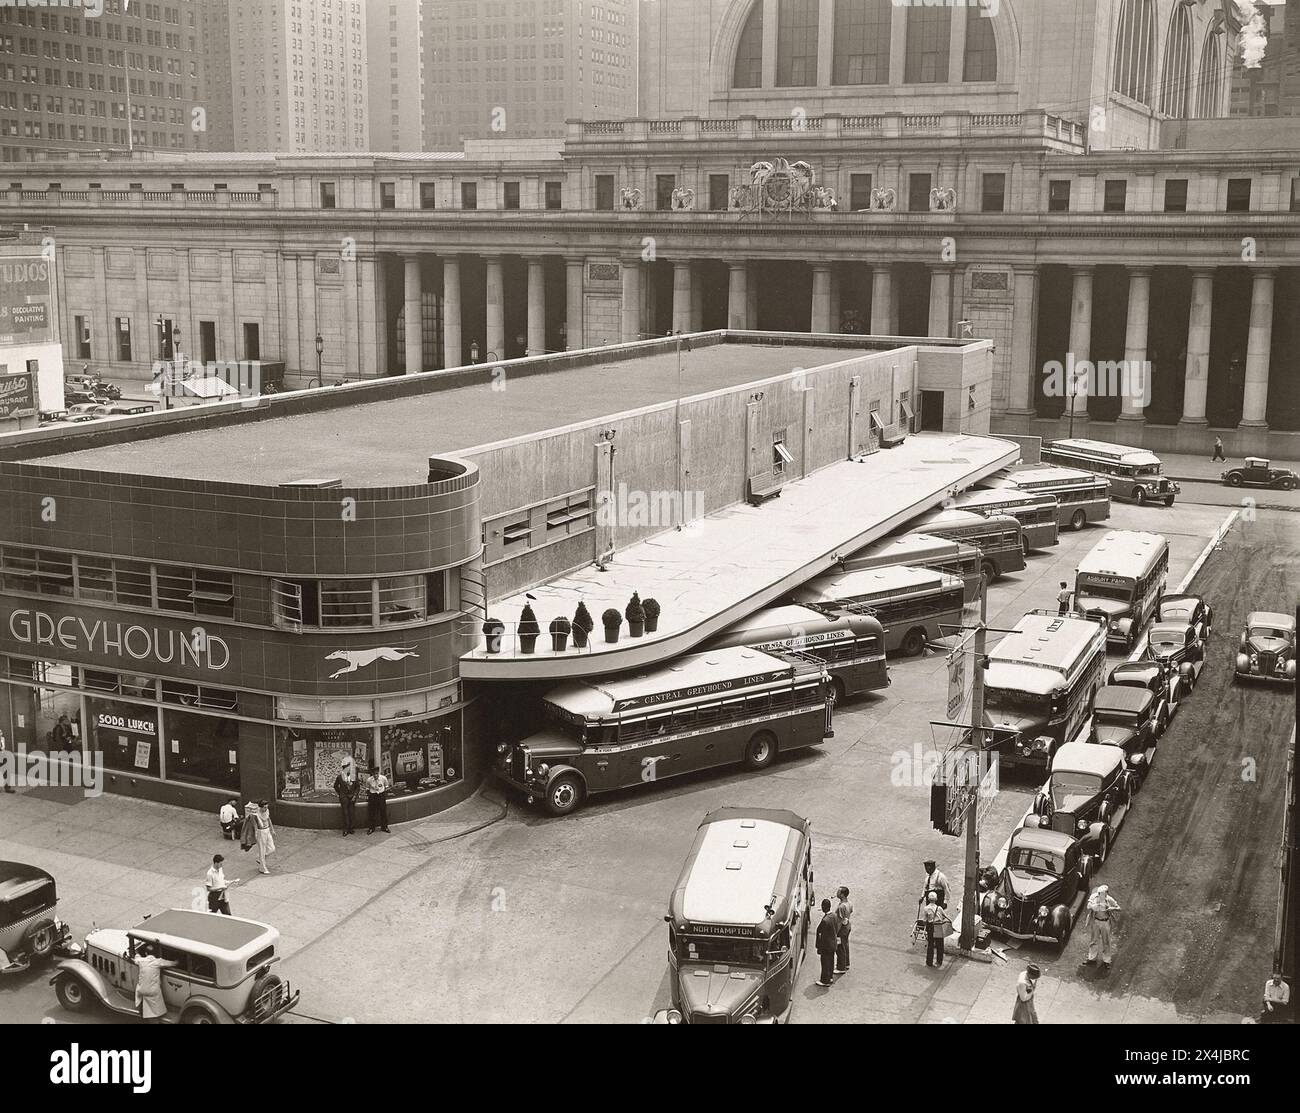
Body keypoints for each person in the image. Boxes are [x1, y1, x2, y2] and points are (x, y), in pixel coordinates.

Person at [133, 942, 177, 1022]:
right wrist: (177, 961)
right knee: (155, 1011)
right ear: (155, 954)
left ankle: (141, 1013)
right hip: (153, 992)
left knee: (140, 992)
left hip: (141, 990)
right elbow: (173, 963)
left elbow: (136, 958)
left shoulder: (141, 961)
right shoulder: (158, 962)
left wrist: (137, 952)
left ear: (146, 953)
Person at [1084, 884, 1121, 970]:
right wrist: (1094, 906)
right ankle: (1092, 958)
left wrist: (1111, 908)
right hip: (1096, 921)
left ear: (1106, 893)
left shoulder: (1109, 899)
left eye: (1102, 893)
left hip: (1105, 922)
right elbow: (1088, 906)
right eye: (1099, 892)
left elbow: (1119, 908)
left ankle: (1107, 961)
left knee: (1106, 942)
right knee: (1093, 940)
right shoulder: (1094, 897)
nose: (1100, 894)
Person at [246, 799, 276, 874]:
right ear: (260, 807)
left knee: (272, 848)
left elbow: (269, 819)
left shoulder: (267, 811)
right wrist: (255, 834)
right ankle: (262, 868)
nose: (266, 809)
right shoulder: (256, 814)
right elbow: (254, 825)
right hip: (261, 832)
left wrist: (272, 829)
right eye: (264, 807)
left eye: (267, 807)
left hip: (267, 830)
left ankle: (260, 859)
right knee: (262, 850)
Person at [922, 890, 950, 968]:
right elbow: (945, 916)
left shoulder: (926, 908)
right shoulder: (939, 908)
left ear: (928, 899)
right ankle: (939, 961)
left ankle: (929, 962)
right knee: (939, 944)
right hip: (938, 926)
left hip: (931, 926)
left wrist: (926, 925)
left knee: (930, 944)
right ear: (936, 899)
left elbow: (924, 920)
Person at [334, 756, 361, 836]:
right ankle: (345, 829)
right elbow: (335, 786)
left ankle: (351, 828)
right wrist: (341, 794)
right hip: (344, 797)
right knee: (345, 813)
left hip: (352, 797)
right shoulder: (339, 777)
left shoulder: (354, 777)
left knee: (351, 812)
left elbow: (357, 787)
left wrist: (355, 796)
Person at [815, 898, 839, 987]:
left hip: (826, 945)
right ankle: (830, 977)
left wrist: (819, 947)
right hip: (833, 943)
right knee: (831, 960)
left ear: (824, 907)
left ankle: (825, 980)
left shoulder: (825, 921)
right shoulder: (834, 915)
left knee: (825, 962)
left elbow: (823, 937)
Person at [366, 765, 391, 834]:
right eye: (374, 774)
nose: (375, 775)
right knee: (372, 813)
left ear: (378, 773)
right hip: (373, 796)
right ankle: (371, 828)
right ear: (372, 774)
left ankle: (384, 827)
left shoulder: (383, 778)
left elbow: (386, 786)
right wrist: (370, 796)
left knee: (383, 812)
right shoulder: (369, 780)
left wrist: (383, 794)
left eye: (377, 773)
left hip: (381, 796)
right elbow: (367, 789)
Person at [834, 887, 853, 973]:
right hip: (847, 927)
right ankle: (846, 963)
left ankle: (841, 967)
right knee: (845, 945)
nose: (837, 893)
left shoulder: (841, 906)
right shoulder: (849, 903)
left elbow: (839, 921)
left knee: (840, 947)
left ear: (842, 894)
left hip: (841, 929)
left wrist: (835, 932)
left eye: (838, 891)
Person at [0, 728, 13, 793]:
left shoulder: (3, 739)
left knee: (6, 772)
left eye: (1, 732)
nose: (0, 734)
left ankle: (7, 788)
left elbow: (3, 748)